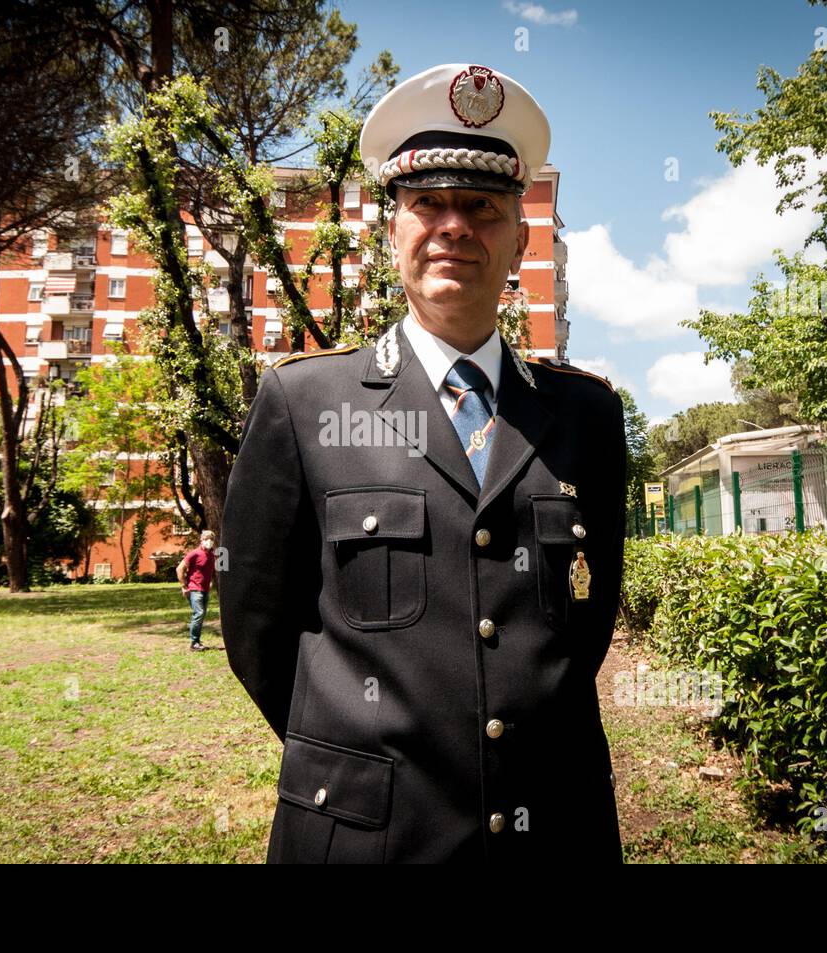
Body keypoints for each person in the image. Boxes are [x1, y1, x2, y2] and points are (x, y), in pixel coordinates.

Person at [219, 63, 627, 863]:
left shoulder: (586, 415)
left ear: (518, 236)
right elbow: (257, 626)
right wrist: (353, 747)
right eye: (427, 204)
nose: (453, 226)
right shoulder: (305, 401)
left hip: (554, 830)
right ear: (392, 231)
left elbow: (588, 619)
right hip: (368, 833)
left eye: (481, 206)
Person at [176, 530, 216, 652]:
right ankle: (194, 643)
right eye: (207, 538)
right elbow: (179, 569)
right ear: (201, 540)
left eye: (211, 539)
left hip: (205, 590)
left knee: (201, 614)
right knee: (199, 613)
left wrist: (211, 582)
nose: (209, 541)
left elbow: (211, 571)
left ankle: (197, 641)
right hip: (194, 589)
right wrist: (184, 586)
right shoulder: (194, 554)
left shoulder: (211, 556)